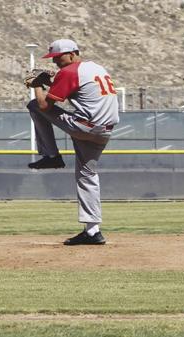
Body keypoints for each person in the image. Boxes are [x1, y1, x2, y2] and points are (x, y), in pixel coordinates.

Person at [25, 38, 119, 245]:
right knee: (87, 175)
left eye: (59, 57)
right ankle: (93, 231)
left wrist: (37, 85)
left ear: (73, 53)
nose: (56, 62)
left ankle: (51, 155)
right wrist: (50, 81)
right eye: (54, 58)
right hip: (104, 131)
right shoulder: (96, 68)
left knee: (34, 104)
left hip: (86, 126)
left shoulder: (70, 72)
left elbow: (43, 105)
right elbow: (76, 89)